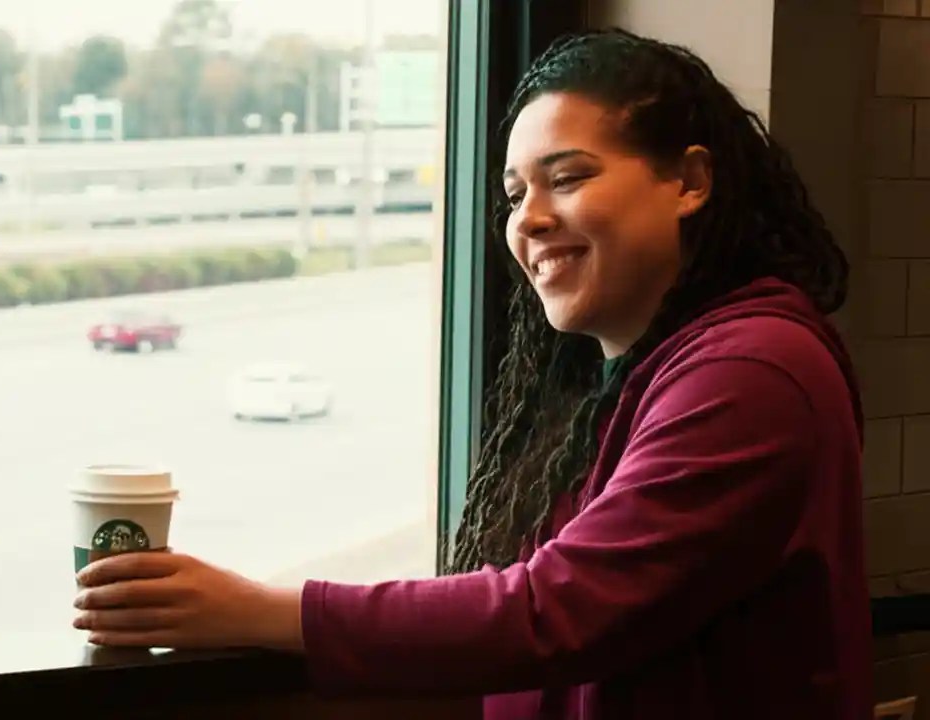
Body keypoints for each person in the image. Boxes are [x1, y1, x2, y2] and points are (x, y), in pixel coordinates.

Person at [71, 28, 873, 719]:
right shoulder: (651, 371)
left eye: (569, 177)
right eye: (515, 192)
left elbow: (552, 610)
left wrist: (257, 612)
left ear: (690, 183)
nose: (528, 218)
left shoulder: (753, 371)